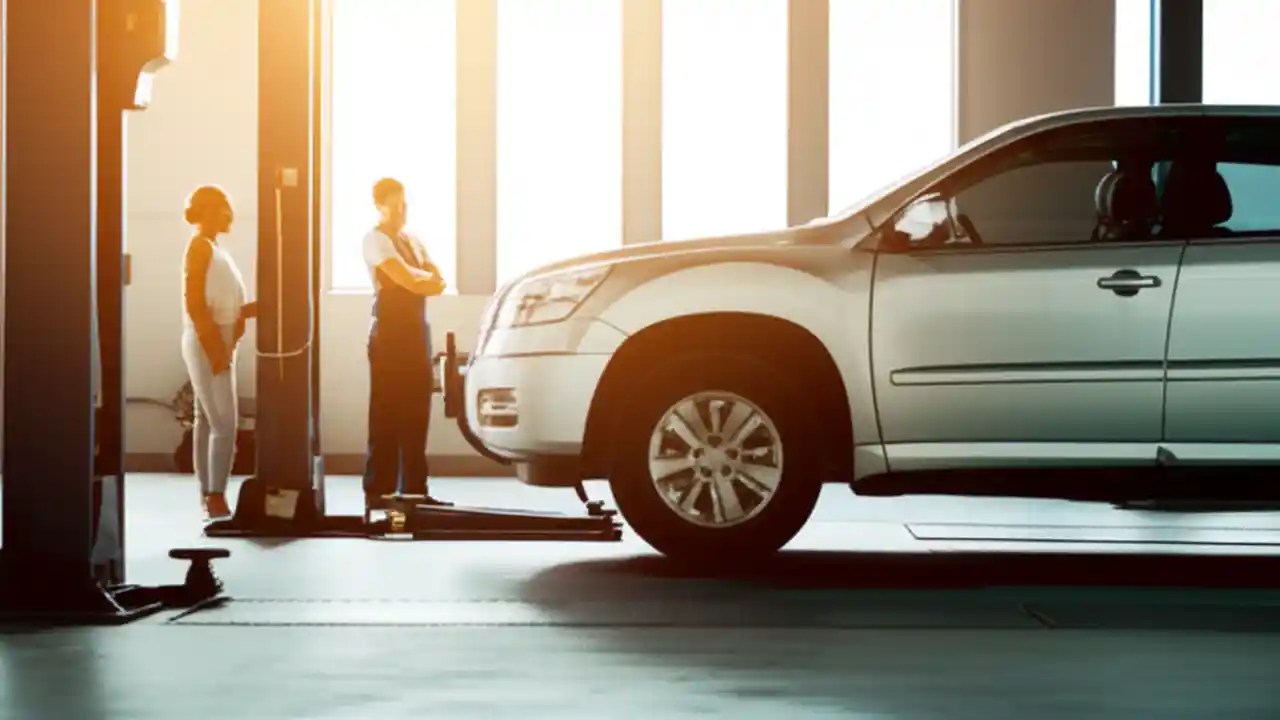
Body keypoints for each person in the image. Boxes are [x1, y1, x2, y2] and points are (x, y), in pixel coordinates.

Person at [362, 178, 449, 509]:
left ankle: (415, 491)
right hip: (389, 334)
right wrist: (421, 279)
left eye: (404, 205)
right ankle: (379, 493)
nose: (401, 211)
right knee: (386, 414)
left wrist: (420, 280)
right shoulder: (375, 240)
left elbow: (436, 280)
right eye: (394, 206)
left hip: (416, 332)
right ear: (380, 206)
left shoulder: (412, 241)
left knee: (417, 412)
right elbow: (410, 280)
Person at [181, 185, 256, 520]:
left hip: (219, 339)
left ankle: (208, 494)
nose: (231, 215)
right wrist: (216, 350)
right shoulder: (199, 247)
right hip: (207, 340)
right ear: (210, 211)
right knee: (224, 423)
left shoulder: (215, 248)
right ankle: (215, 496)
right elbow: (195, 303)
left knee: (206, 420)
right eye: (225, 208)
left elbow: (231, 305)